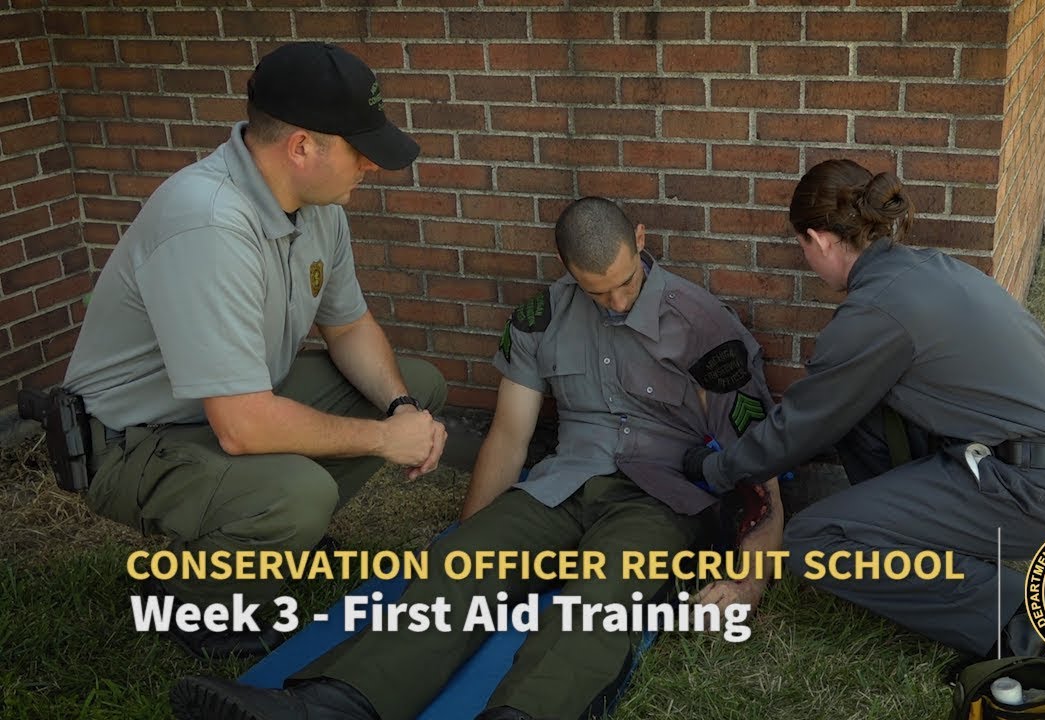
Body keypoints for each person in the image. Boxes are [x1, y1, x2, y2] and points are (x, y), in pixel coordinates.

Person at [168, 197, 785, 720]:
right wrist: (468, 536)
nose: (617, 303)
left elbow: (760, 464)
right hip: (561, 486)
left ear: (641, 241)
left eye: (626, 283)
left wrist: (749, 579)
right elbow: (509, 438)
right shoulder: (541, 320)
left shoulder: (704, 327)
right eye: (598, 291)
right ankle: (330, 705)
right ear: (568, 270)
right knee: (461, 566)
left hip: (659, 499)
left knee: (603, 594)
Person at [61, 42, 449, 658]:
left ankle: (274, 535)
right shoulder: (208, 223)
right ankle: (191, 601)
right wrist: (383, 440)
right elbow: (241, 427)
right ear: (302, 147)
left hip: (228, 405)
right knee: (298, 493)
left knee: (417, 387)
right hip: (132, 440)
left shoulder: (317, 207)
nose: (371, 166)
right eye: (359, 149)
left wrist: (400, 410)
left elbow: (349, 326)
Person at [682, 159, 1045, 660]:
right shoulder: (929, 268)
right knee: (860, 415)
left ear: (819, 240)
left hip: (1036, 488)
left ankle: (1030, 621)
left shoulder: (874, 312)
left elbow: (797, 428)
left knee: (815, 542)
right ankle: (902, 538)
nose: (806, 258)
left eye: (802, 246)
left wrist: (714, 469)